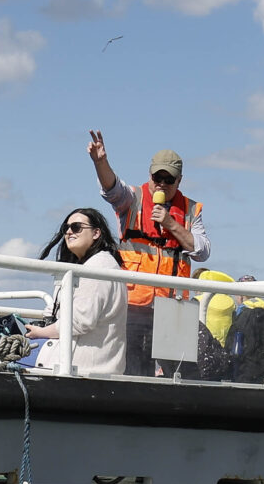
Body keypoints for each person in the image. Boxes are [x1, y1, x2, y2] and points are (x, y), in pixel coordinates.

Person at [87, 131, 208, 373]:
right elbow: (112, 189)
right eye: (157, 177)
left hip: (173, 307)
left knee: (177, 372)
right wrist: (100, 162)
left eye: (168, 179)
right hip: (133, 305)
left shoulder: (191, 209)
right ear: (149, 175)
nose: (161, 183)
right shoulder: (132, 199)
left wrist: (171, 224)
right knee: (131, 367)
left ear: (179, 181)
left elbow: (202, 251)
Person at [26, 208, 129, 375]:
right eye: (65, 228)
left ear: (96, 233)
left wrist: (40, 333)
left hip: (82, 366)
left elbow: (80, 320)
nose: (68, 232)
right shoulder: (81, 268)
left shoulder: (98, 267)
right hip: (71, 358)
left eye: (76, 227)